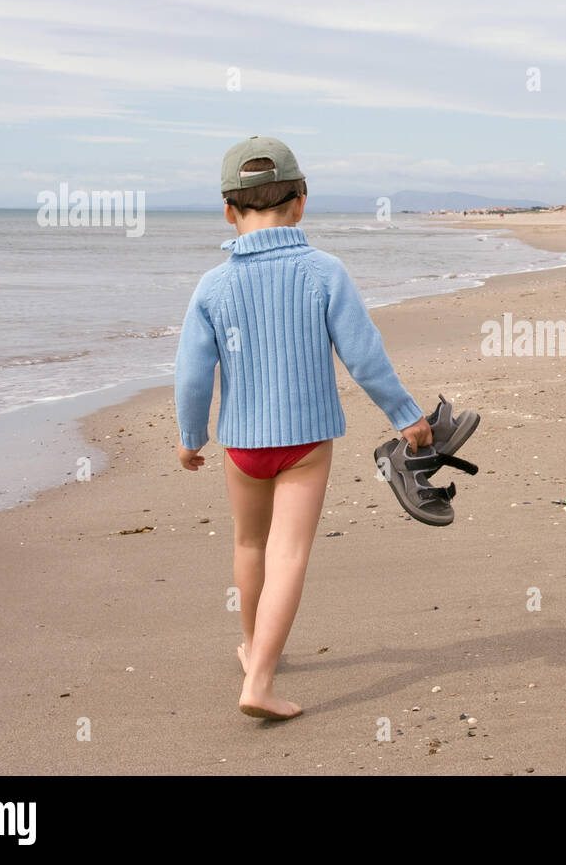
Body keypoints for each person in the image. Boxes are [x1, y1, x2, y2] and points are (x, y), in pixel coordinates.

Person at [175, 136, 431, 719]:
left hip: (241, 443)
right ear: (302, 202)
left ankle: (252, 647)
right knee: (288, 553)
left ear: (228, 209)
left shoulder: (212, 286)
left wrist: (191, 437)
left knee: (249, 543)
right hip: (305, 441)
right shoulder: (323, 272)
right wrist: (405, 416)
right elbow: (364, 355)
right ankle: (261, 676)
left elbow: (192, 374)